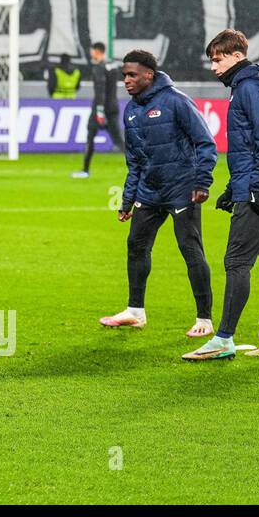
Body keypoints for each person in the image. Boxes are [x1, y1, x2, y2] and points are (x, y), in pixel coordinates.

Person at [185, 30, 259, 361]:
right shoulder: (247, 86)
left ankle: (223, 340)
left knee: (236, 262)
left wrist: (254, 187)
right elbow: (251, 146)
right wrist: (232, 189)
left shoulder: (249, 87)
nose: (214, 67)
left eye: (218, 60)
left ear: (237, 56)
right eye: (211, 61)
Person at [100, 50, 216, 338]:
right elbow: (135, 161)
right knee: (136, 245)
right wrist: (127, 200)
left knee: (190, 250)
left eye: (132, 75)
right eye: (124, 75)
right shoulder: (132, 111)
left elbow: (206, 143)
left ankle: (205, 319)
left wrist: (202, 183)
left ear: (149, 75)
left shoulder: (176, 101)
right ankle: (135, 312)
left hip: (182, 189)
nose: (126, 80)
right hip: (150, 191)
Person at [73, 41, 124, 178]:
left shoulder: (99, 68)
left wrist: (100, 111)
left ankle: (85, 170)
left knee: (90, 136)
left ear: (96, 51)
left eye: (92, 51)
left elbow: (100, 90)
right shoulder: (113, 66)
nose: (91, 53)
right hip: (114, 106)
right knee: (119, 140)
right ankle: (142, 167)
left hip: (101, 108)